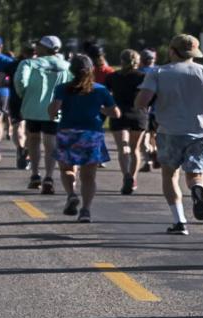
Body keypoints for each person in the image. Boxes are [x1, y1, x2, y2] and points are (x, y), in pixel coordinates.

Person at [136, 34, 203, 235]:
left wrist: (145, 109)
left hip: (169, 130)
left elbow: (142, 101)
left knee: (170, 174)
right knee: (195, 174)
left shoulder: (158, 72)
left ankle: (179, 221)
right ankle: (197, 188)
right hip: (202, 130)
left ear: (171, 51)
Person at [49, 55, 120, 223]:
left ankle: (72, 194)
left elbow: (53, 111)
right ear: (91, 70)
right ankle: (86, 210)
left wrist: (53, 113)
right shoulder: (100, 89)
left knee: (67, 169)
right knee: (89, 177)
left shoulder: (62, 88)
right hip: (91, 134)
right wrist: (101, 109)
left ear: (71, 70)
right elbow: (115, 113)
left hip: (68, 132)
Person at [16, 37, 72, 195]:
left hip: (32, 108)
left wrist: (25, 96)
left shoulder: (28, 63)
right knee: (50, 143)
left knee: (33, 140)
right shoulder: (66, 65)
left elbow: (20, 81)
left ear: (43, 47)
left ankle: (34, 174)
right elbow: (72, 85)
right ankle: (48, 176)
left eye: (38, 45)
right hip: (55, 109)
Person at [106, 49, 149, 196]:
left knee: (122, 148)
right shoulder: (143, 76)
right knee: (135, 149)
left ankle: (126, 175)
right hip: (138, 114)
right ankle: (133, 177)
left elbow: (106, 93)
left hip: (119, 114)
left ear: (121, 61)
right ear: (138, 62)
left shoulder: (112, 76)